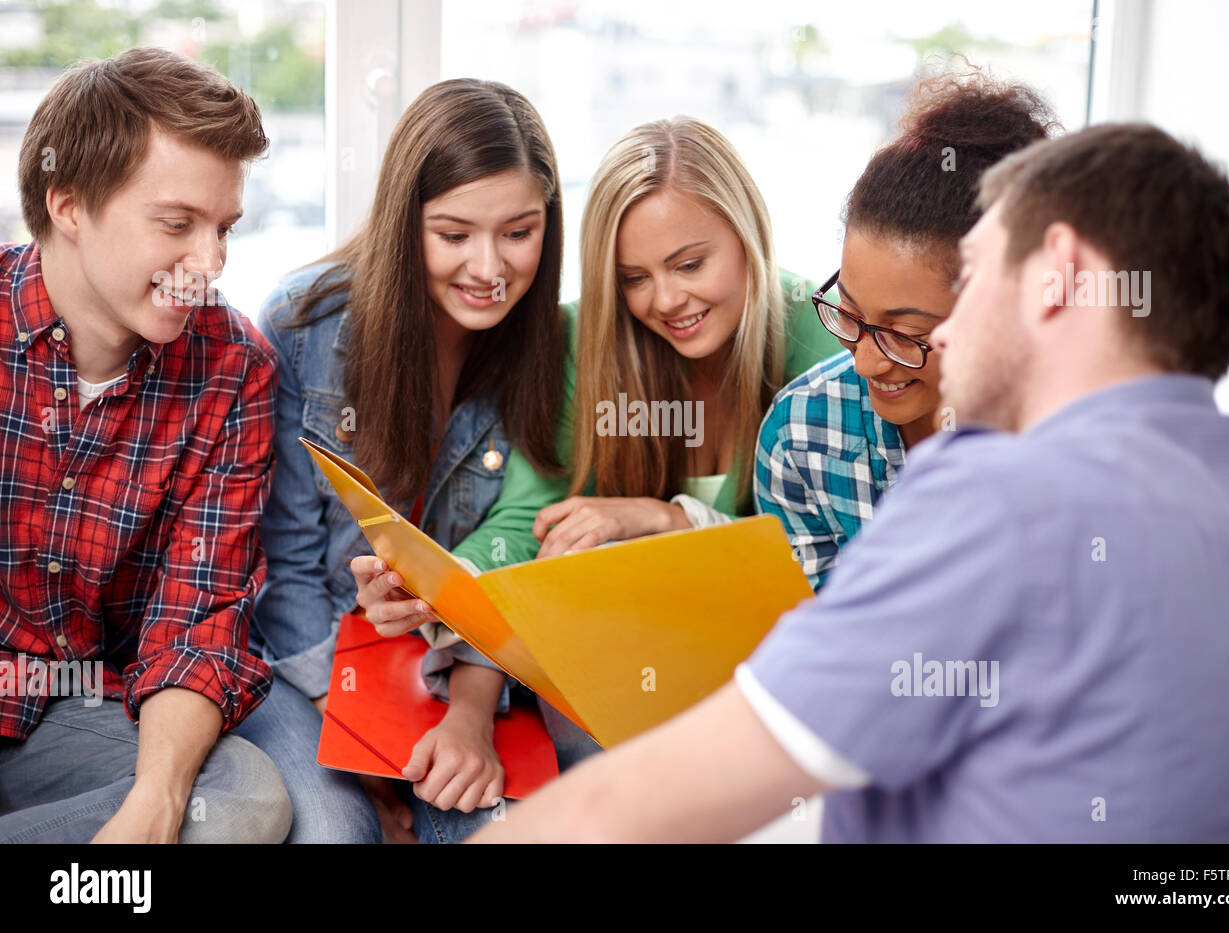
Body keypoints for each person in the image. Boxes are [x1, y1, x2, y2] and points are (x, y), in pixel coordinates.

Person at [468, 122, 1229, 843]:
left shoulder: (998, 498)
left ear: (1061, 274)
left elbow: (628, 810)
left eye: (972, 274)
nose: (941, 331)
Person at [351, 115, 843, 763]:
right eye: (634, 277)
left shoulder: (819, 340)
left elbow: (821, 563)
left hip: (779, 679)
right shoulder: (582, 341)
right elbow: (530, 514)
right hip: (638, 675)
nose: (667, 299)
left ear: (748, 234)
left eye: (690, 263)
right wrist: (443, 587)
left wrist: (663, 517)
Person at [242, 78, 568, 843]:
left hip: (457, 671)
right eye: (454, 235)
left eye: (518, 232)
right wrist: (357, 734)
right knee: (333, 826)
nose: (489, 266)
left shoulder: (550, 347)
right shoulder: (303, 323)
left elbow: (513, 561)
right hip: (309, 655)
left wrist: (467, 708)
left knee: (491, 826)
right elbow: (281, 571)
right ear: (403, 223)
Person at [0, 47, 290, 843]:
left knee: (239, 801)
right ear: (68, 205)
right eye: (177, 224)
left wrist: (153, 805)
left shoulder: (234, 369)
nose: (211, 263)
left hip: (74, 715)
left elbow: (195, 623)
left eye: (224, 228)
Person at [756, 71, 1057, 589]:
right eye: (850, 314)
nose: (866, 362)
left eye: (906, 332)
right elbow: (819, 645)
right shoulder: (802, 434)